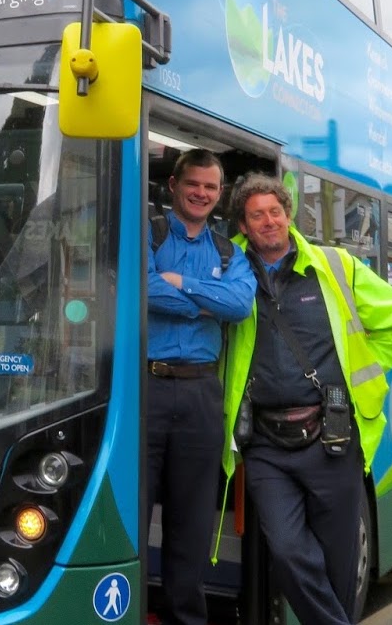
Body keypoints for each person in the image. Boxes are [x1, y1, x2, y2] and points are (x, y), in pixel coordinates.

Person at [222, 173, 392, 624]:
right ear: (244, 225)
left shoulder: (335, 266)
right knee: (288, 552)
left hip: (331, 439)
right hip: (266, 445)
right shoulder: (230, 272)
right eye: (257, 215)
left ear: (289, 216)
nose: (269, 221)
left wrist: (359, 376)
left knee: (340, 565)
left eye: (275, 212)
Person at [146, 149, 257, 625]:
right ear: (174, 185)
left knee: (190, 522)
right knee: (130, 508)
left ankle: (185, 619)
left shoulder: (230, 250)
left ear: (220, 194)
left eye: (211, 188)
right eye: (194, 184)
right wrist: (203, 301)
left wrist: (178, 284)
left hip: (200, 396)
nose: (202, 194)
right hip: (143, 391)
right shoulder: (147, 233)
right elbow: (141, 286)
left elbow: (239, 305)